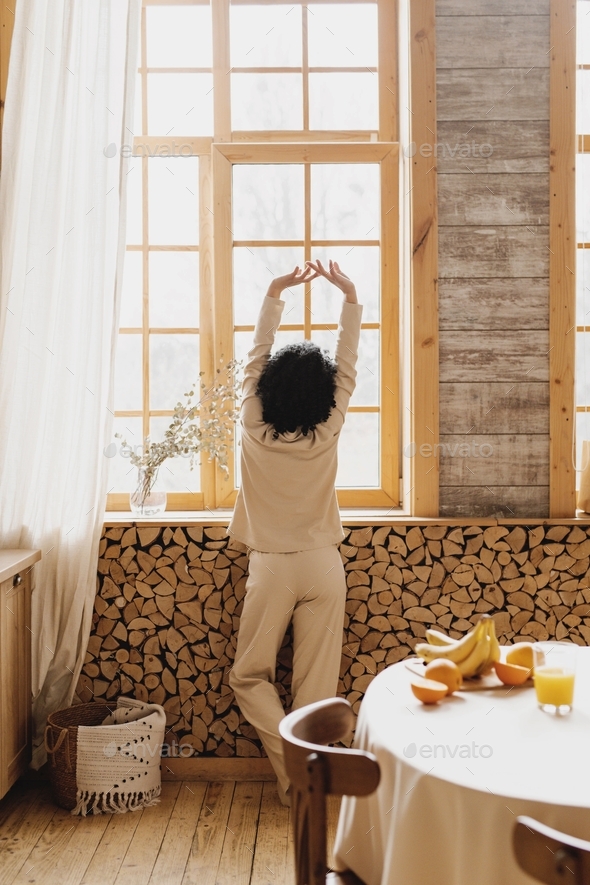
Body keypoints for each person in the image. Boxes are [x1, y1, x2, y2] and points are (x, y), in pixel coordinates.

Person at [227, 258, 362, 805]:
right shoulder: (328, 427)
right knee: (315, 691)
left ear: (272, 388)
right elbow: (347, 369)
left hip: (274, 565)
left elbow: (254, 364)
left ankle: (295, 777)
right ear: (324, 394)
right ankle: (305, 784)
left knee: (248, 678)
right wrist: (350, 299)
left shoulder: (254, 423)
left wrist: (274, 294)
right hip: (325, 566)